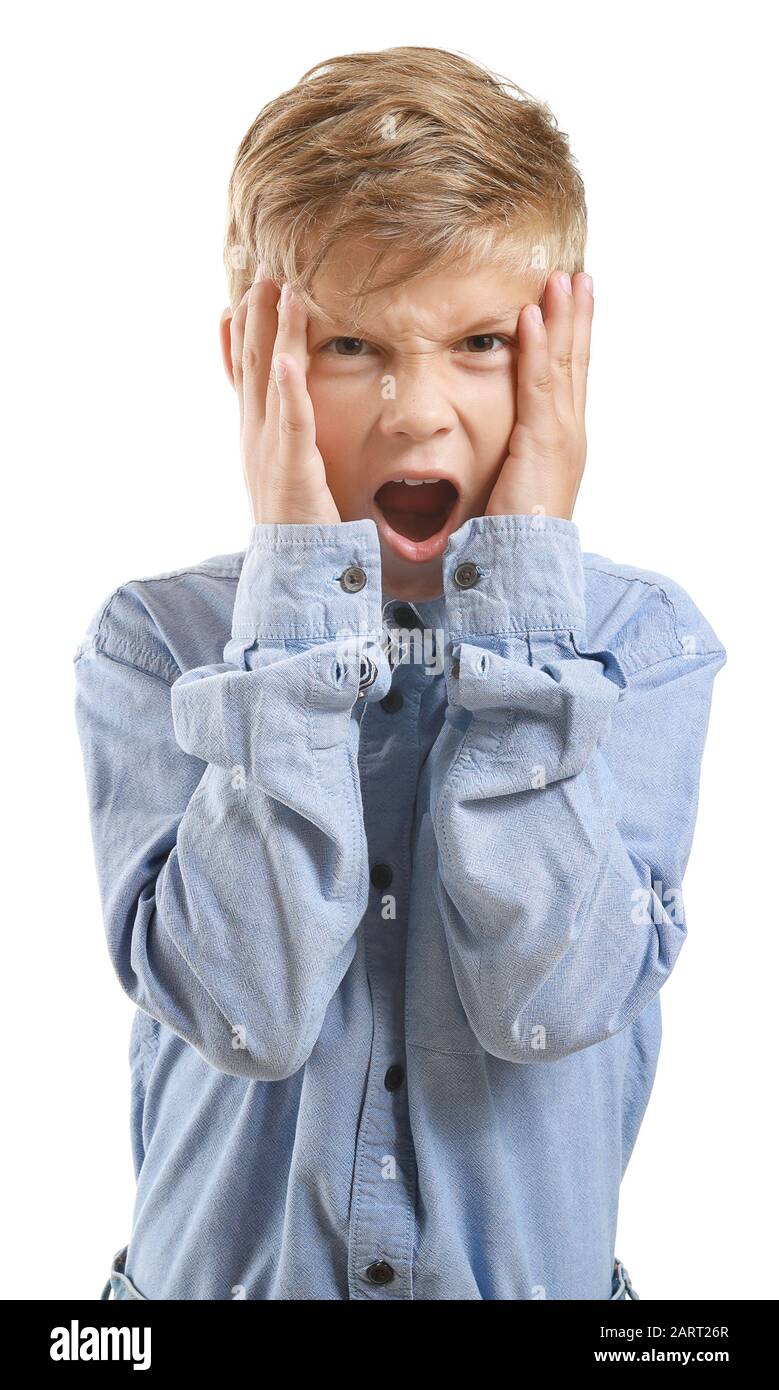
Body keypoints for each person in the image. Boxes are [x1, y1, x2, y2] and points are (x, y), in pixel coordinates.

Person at [74, 46, 726, 1300]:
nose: (416, 409)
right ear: (248, 360)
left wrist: (525, 605)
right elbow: (245, 1008)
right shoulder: (155, 644)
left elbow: (549, 996)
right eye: (350, 343)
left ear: (558, 360)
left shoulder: (636, 647)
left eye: (480, 341)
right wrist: (299, 600)